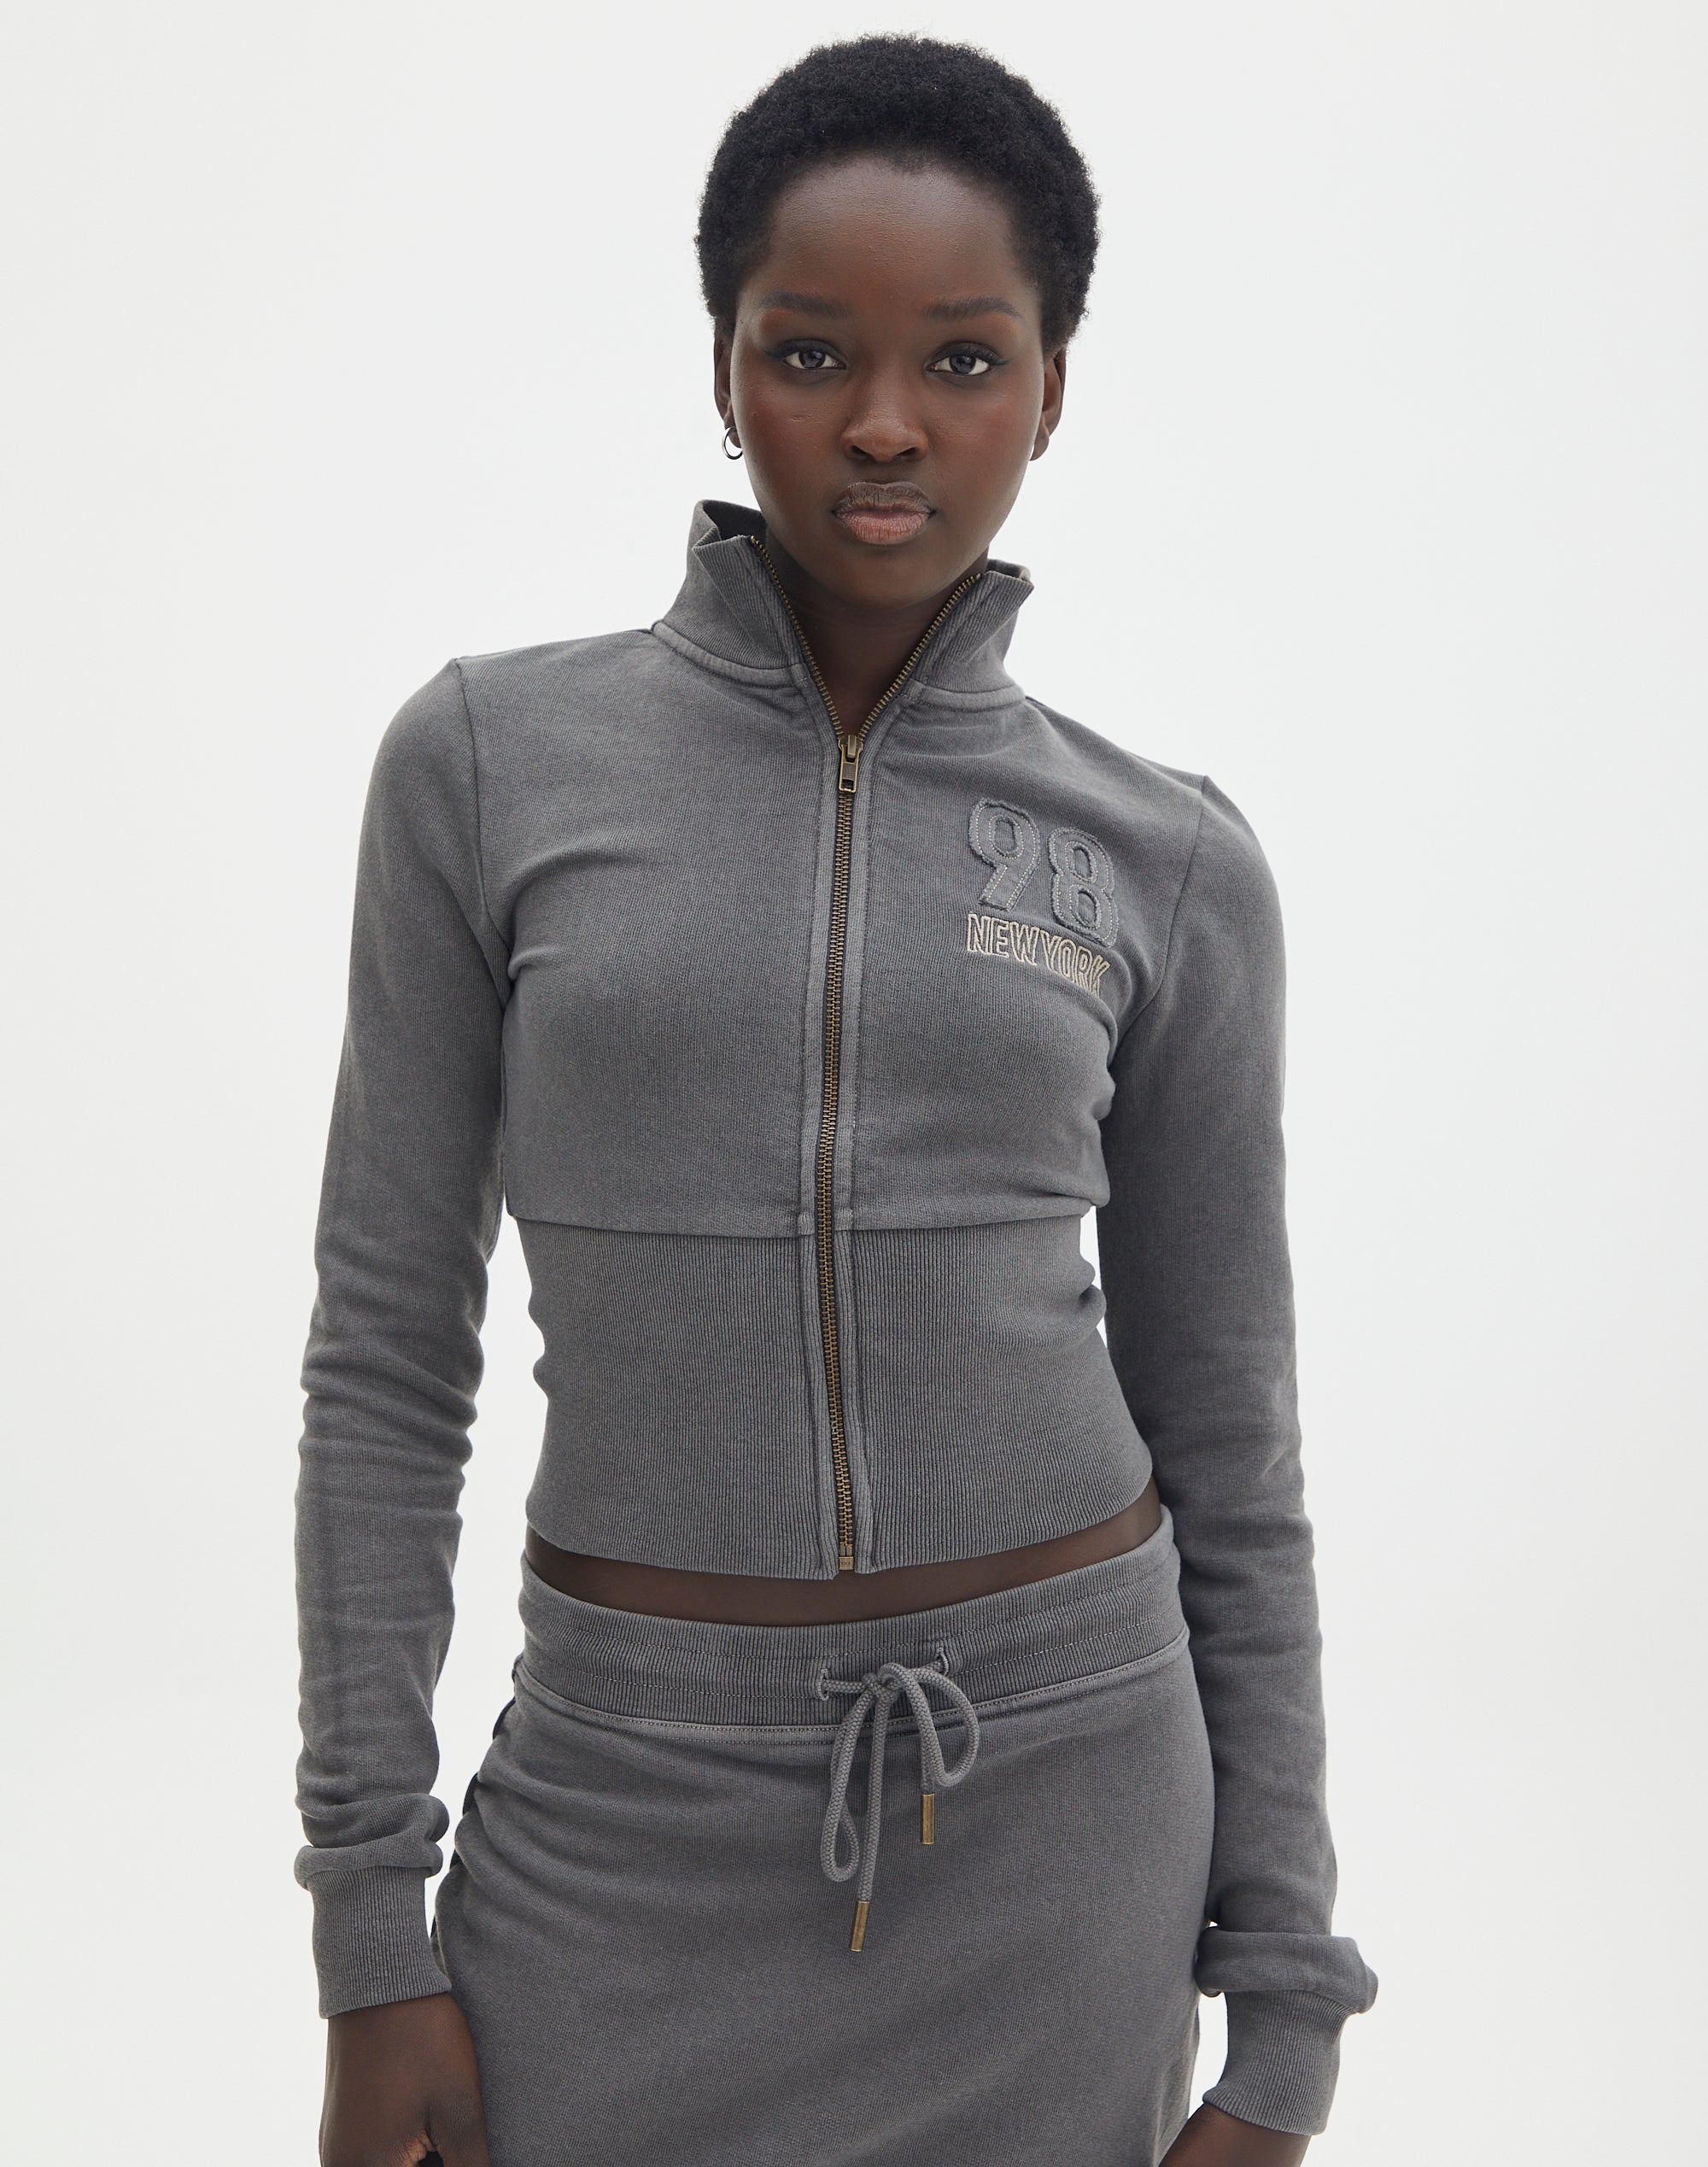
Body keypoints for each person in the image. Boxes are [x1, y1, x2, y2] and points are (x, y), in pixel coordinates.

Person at [295, 34, 1377, 2167]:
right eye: (810, 352)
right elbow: (386, 1371)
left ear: (1050, 391)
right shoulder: (485, 771)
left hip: (1062, 1816)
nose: (886, 422)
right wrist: (366, 1932)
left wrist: (1287, 2012)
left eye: (964, 359)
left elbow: (1232, 1444)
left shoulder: (1165, 858)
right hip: (621, 1810)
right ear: (722, 367)